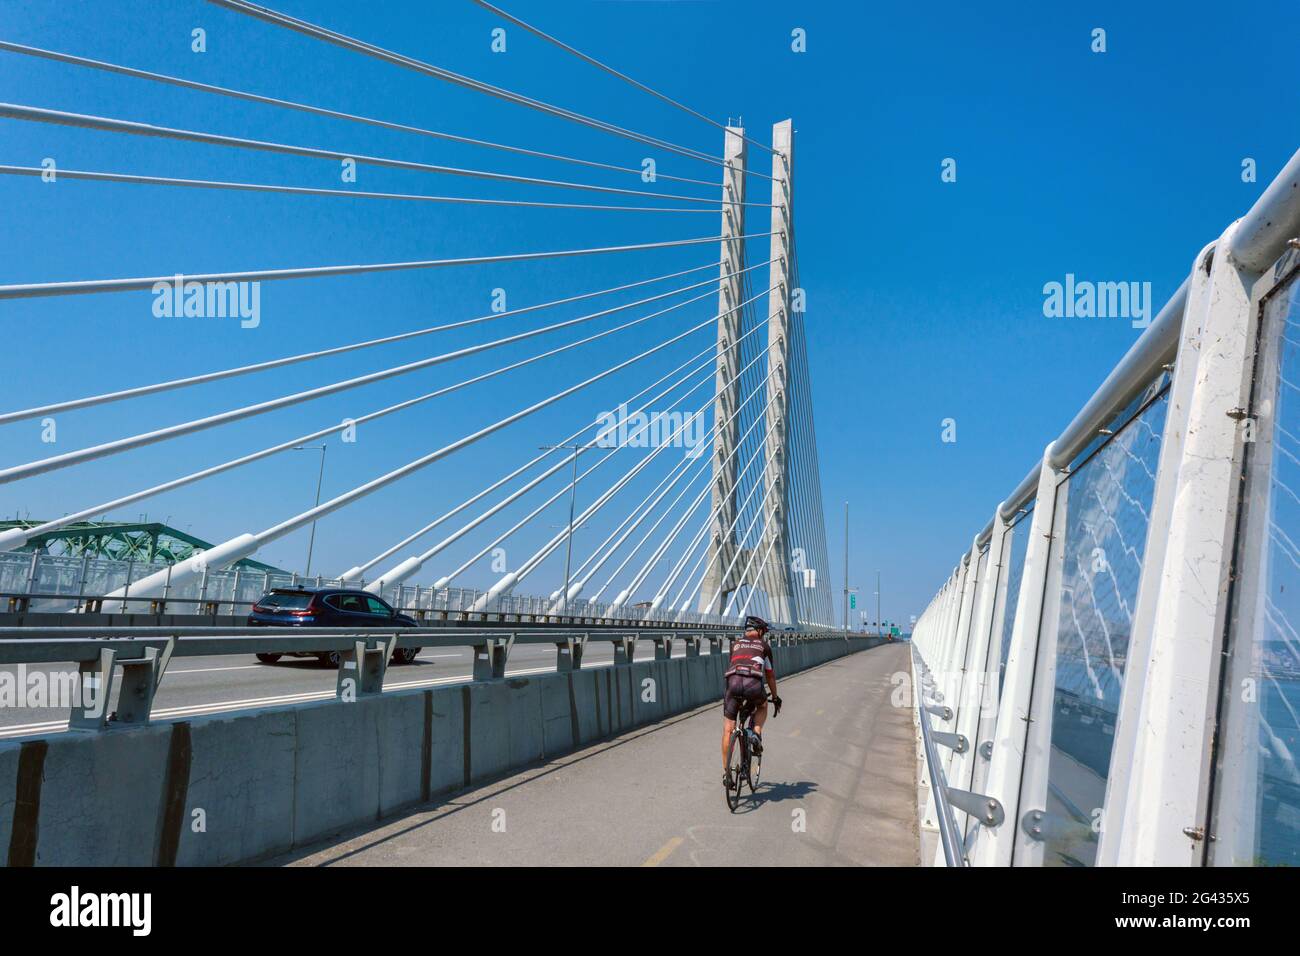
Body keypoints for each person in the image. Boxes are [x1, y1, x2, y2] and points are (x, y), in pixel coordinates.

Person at [721, 615, 782, 788]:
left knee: (728, 730)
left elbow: (732, 668)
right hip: (753, 686)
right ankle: (755, 733)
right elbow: (769, 675)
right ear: (760, 631)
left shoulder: (735, 645)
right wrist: (775, 698)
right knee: (762, 705)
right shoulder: (764, 646)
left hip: (732, 685)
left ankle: (726, 774)